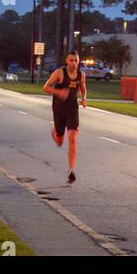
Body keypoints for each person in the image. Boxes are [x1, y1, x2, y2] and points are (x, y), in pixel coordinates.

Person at [43, 51, 86, 183]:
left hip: (72, 109)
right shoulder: (59, 73)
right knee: (60, 141)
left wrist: (83, 99)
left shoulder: (81, 75)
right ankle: (55, 130)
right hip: (59, 109)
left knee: (72, 137)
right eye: (71, 60)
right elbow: (45, 87)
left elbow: (83, 88)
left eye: (76, 61)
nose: (74, 63)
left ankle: (71, 170)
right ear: (67, 61)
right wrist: (58, 91)